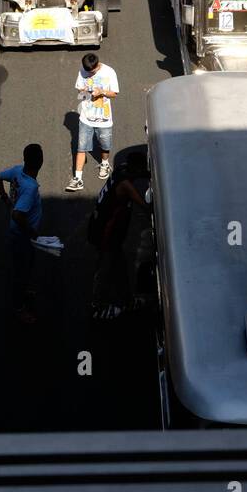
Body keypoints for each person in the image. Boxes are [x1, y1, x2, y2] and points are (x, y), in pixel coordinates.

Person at [88, 152, 151, 320]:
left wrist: (147, 173)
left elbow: (139, 173)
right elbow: (144, 205)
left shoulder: (122, 170)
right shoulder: (125, 185)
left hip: (106, 229)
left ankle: (127, 300)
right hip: (106, 233)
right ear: (136, 167)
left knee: (120, 265)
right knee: (105, 268)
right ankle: (97, 306)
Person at [0, 144, 44, 324]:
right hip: (22, 236)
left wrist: (5, 198)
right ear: (41, 163)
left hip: (18, 235)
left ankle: (25, 289)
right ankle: (19, 308)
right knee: (20, 273)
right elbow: (17, 214)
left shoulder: (16, 172)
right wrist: (32, 231)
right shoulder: (30, 188)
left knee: (27, 264)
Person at [66, 53, 119, 192]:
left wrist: (101, 91)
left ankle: (105, 164)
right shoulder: (83, 70)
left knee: (105, 145)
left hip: (104, 118)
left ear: (97, 65)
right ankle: (77, 179)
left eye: (91, 72)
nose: (88, 74)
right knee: (81, 147)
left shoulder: (109, 72)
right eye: (87, 72)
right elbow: (79, 89)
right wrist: (84, 90)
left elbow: (114, 93)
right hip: (85, 117)